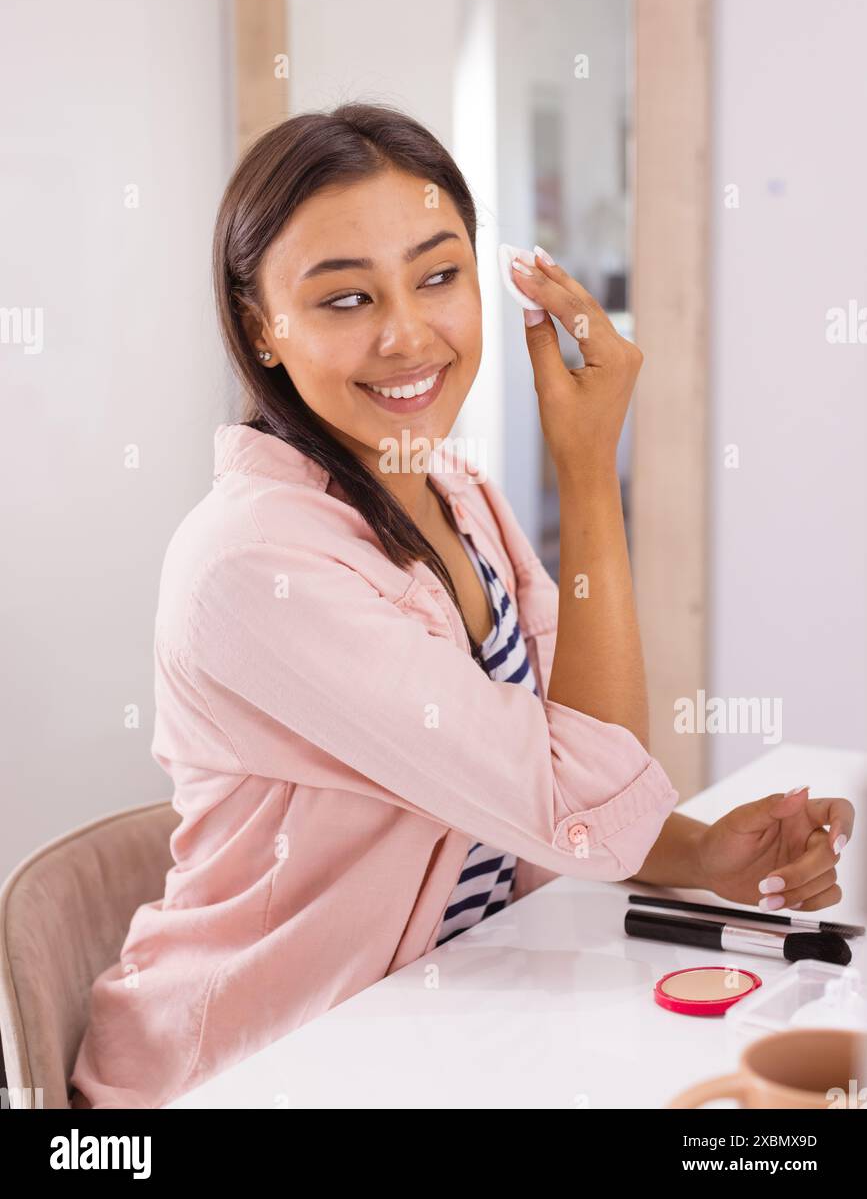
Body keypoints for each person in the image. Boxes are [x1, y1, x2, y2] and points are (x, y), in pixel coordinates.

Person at [70, 103, 854, 1109]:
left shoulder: (453, 495)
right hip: (250, 1074)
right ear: (261, 326)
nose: (407, 334)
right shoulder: (252, 565)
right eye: (346, 297)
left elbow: (548, 781)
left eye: (439, 276)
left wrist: (700, 853)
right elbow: (580, 797)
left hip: (437, 1032)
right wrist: (586, 474)